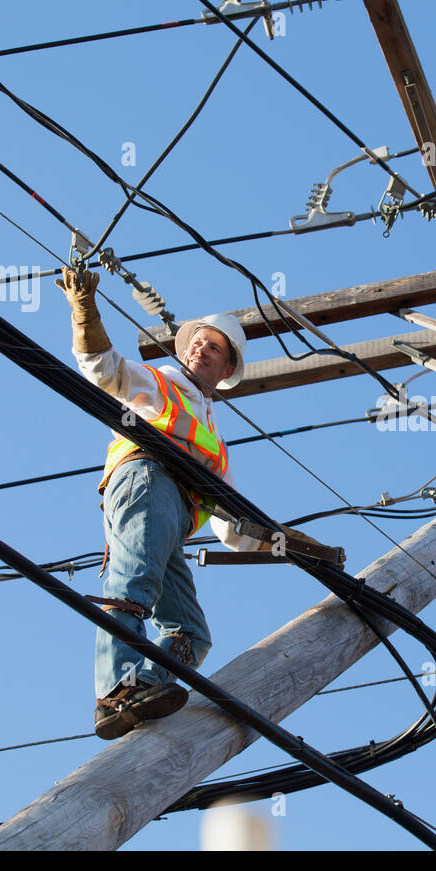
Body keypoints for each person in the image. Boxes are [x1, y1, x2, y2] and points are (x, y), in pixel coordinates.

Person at [56, 266, 259, 740]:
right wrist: (84, 311)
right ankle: (115, 690)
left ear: (226, 370)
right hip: (147, 480)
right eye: (197, 342)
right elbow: (105, 371)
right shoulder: (163, 380)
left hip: (174, 520)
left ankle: (145, 684)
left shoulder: (215, 443)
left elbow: (233, 528)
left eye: (212, 348)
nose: (198, 350)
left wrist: (282, 544)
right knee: (134, 584)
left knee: (191, 633)